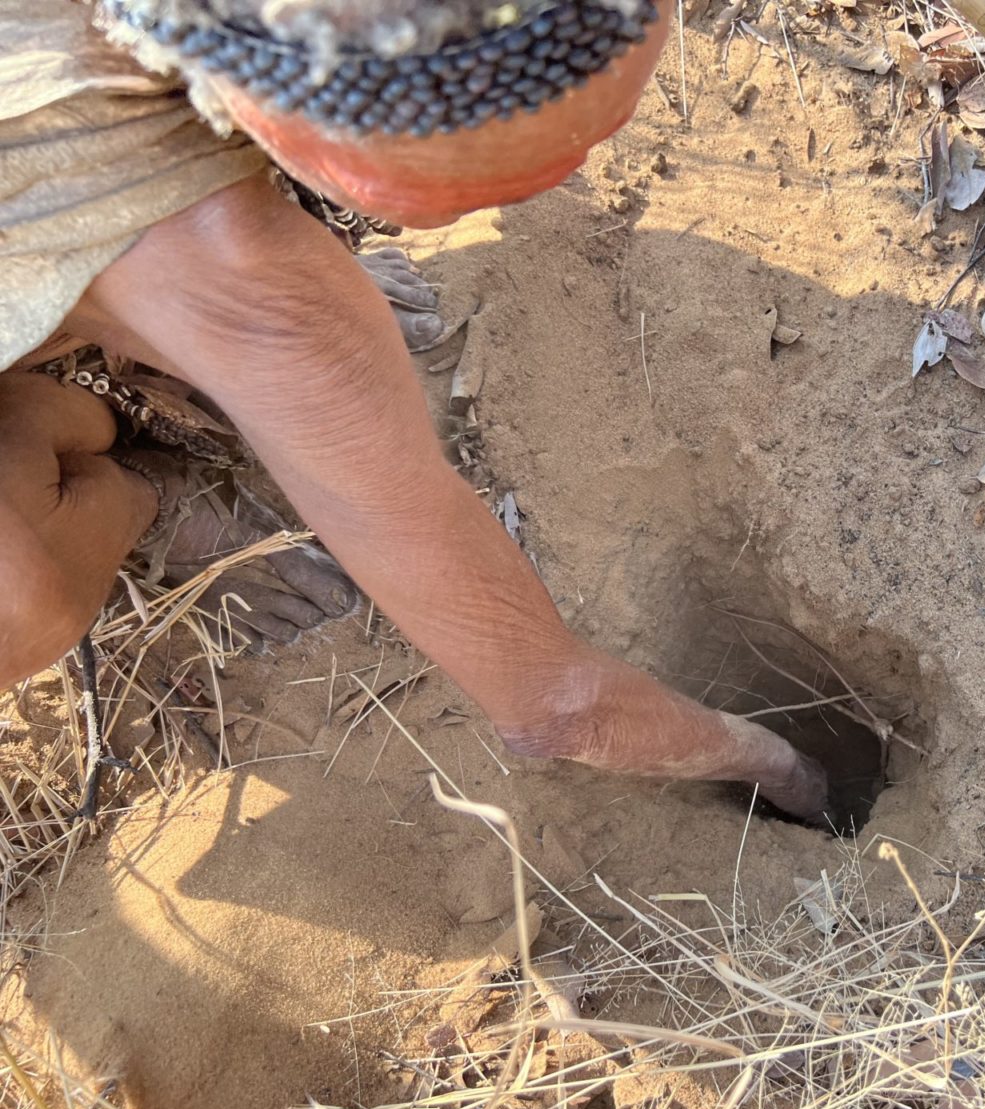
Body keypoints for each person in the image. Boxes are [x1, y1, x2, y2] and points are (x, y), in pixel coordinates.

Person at [0, 0, 830, 820]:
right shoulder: (260, 296)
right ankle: (134, 483)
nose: (581, 161)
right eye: (542, 157)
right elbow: (556, 707)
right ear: (316, 147)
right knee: (15, 602)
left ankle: (151, 319)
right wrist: (778, 764)